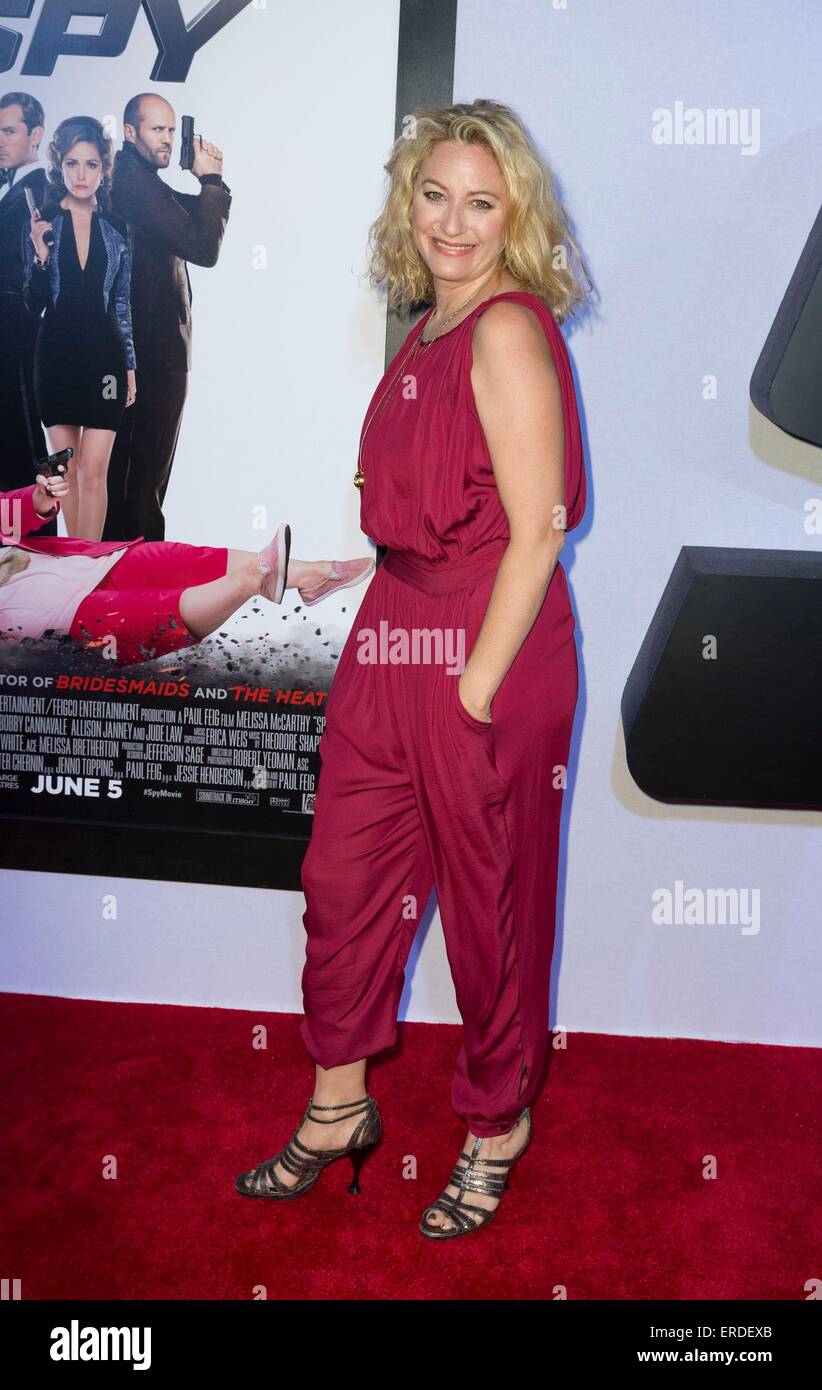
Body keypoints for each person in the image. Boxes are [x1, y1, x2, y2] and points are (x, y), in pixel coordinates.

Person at [234, 99, 591, 1241]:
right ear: (408, 202)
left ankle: (498, 1127)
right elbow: (423, 504)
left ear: (516, 217)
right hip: (398, 631)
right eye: (436, 194)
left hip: (487, 645)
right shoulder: (428, 330)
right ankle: (339, 1106)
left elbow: (537, 527)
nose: (454, 221)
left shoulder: (504, 330)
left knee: (492, 911)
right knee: (343, 882)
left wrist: (474, 688)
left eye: (483, 202)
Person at [1, 476, 375, 663]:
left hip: (78, 565)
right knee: (150, 615)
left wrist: (38, 500)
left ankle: (314, 575)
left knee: (179, 558)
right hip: (50, 617)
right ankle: (253, 579)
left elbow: (8, 517)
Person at [103, 93, 231, 543]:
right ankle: (138, 584)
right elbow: (202, 248)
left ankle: (120, 584)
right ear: (130, 132)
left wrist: (210, 185)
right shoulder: (133, 184)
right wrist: (211, 181)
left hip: (142, 352)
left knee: (129, 480)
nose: (168, 139)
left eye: (173, 130)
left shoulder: (138, 181)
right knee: (142, 482)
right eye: (158, 130)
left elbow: (188, 214)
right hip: (151, 355)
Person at [24, 116, 136, 543]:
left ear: (103, 169)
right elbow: (34, 305)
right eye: (72, 164)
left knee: (94, 469)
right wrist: (39, 253)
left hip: (105, 360)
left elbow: (122, 302)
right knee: (64, 471)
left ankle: (91, 568)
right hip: (55, 358)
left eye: (91, 164)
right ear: (60, 167)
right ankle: (76, 568)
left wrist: (129, 368)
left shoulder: (118, 229)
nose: (81, 174)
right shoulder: (44, 225)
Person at [0, 91, 53, 530]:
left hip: (17, 341)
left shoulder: (38, 194)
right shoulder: (14, 190)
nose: (0, 140)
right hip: (11, 339)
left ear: (35, 135)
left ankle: (33, 558)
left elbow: (33, 277)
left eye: (9, 131)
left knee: (23, 449)